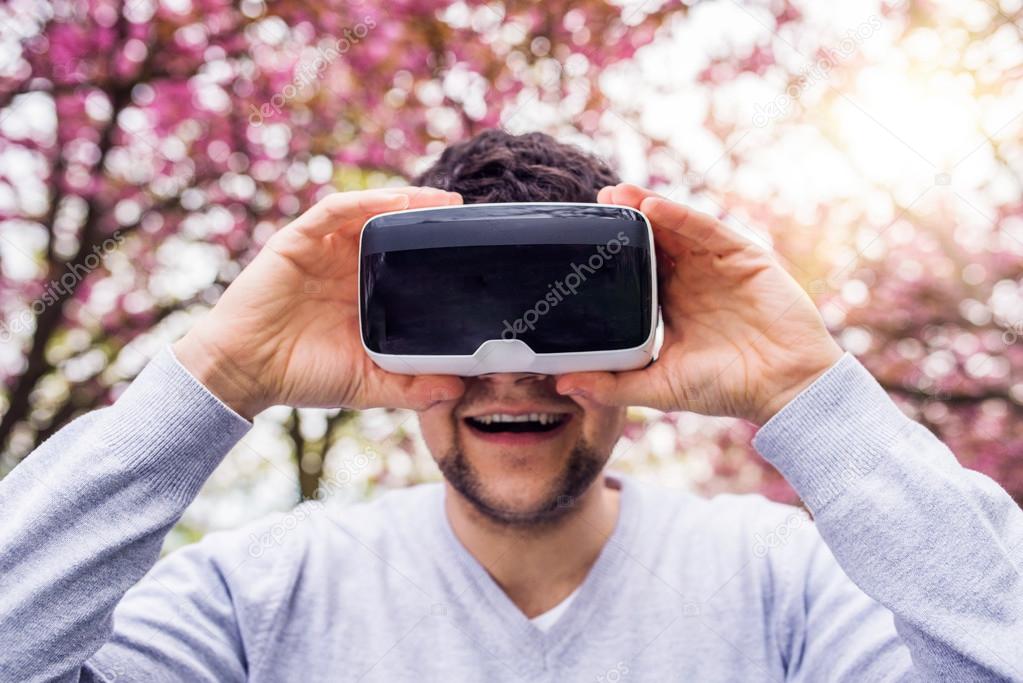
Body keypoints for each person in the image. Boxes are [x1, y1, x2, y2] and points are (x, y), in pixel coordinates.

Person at [1, 130, 1020, 682]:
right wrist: (216, 374)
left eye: (568, 315)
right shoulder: (257, 594)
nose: (513, 369)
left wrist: (811, 392)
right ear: (384, 338)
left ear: (650, 331)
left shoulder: (785, 583)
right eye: (459, 314)